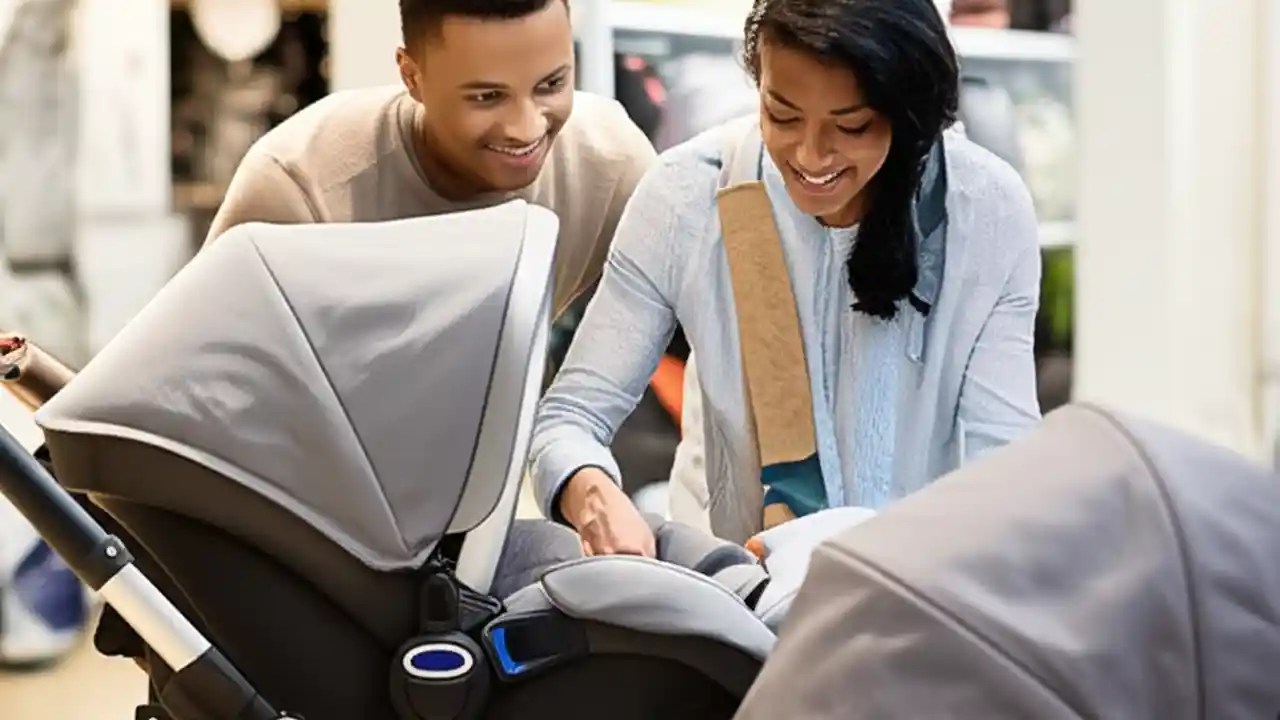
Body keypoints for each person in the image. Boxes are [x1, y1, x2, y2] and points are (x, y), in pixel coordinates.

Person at [529, 0, 1042, 557]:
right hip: (735, 583)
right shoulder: (689, 195)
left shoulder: (984, 211)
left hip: (919, 579)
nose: (811, 155)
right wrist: (595, 498)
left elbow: (1008, 464)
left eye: (851, 126)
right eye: (782, 115)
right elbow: (570, 418)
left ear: (907, 113)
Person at [204, 0, 656, 323]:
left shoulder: (612, 164)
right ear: (412, 77)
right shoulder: (297, 188)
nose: (526, 127)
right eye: (487, 96)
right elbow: (200, 381)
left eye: (552, 84)